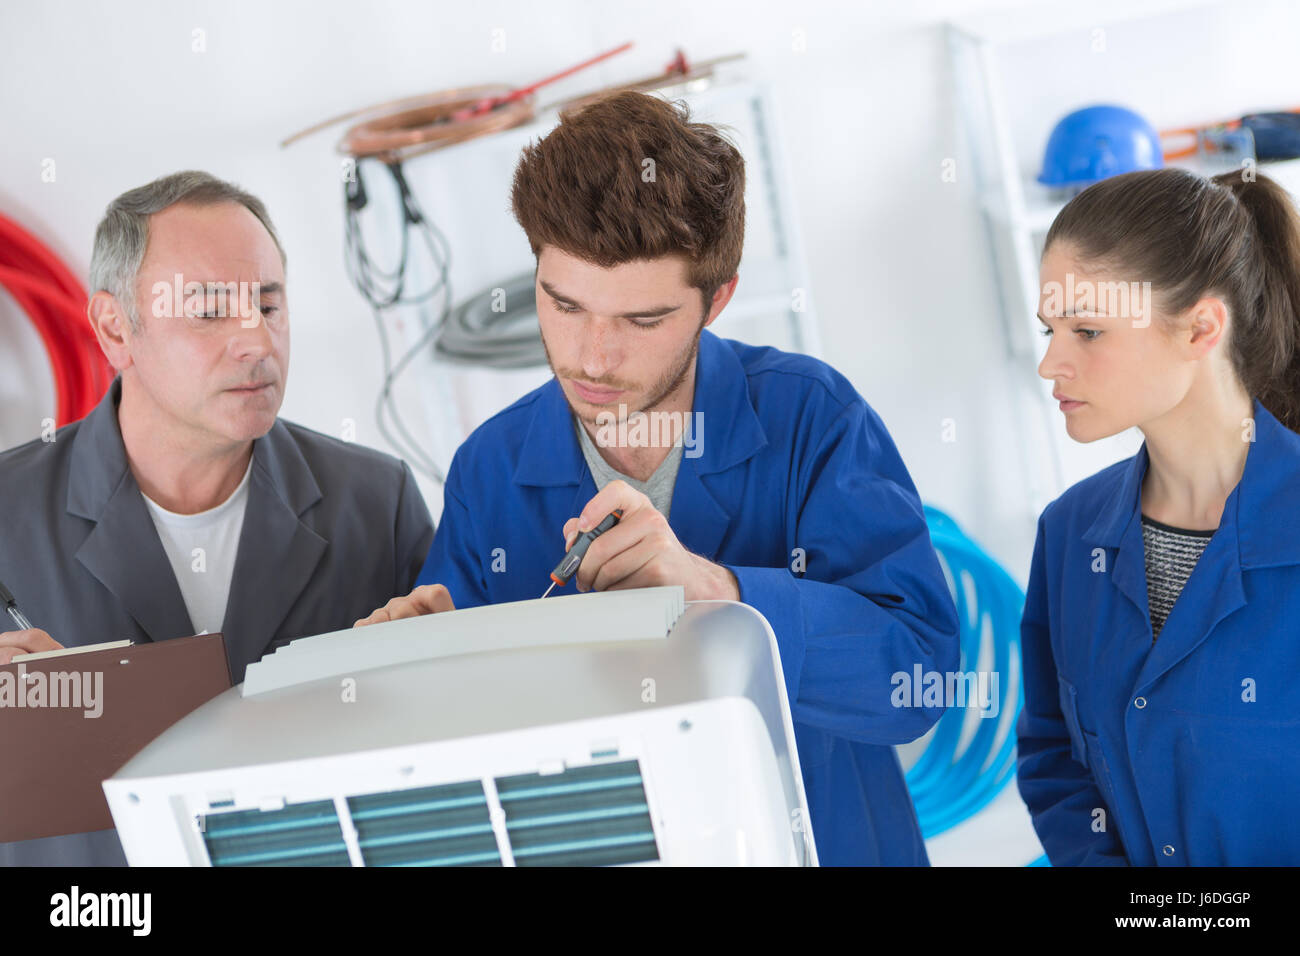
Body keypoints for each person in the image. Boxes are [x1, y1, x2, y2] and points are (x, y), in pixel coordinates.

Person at [359, 91, 961, 866]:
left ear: (718, 300)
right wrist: (409, 681)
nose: (593, 357)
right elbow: (473, 757)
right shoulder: (490, 467)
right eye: (563, 304)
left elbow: (922, 678)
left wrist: (723, 596)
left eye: (642, 321)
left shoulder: (812, 417)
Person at [0, 171, 434, 865]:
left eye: (268, 304)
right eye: (207, 311)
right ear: (116, 329)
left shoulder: (375, 502)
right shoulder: (7, 519)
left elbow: (444, 748)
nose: (256, 341)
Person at [1017, 167, 1300, 865]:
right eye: (1050, 329)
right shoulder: (1068, 533)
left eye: (1087, 331)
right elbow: (1055, 756)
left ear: (1202, 327)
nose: (1052, 363)